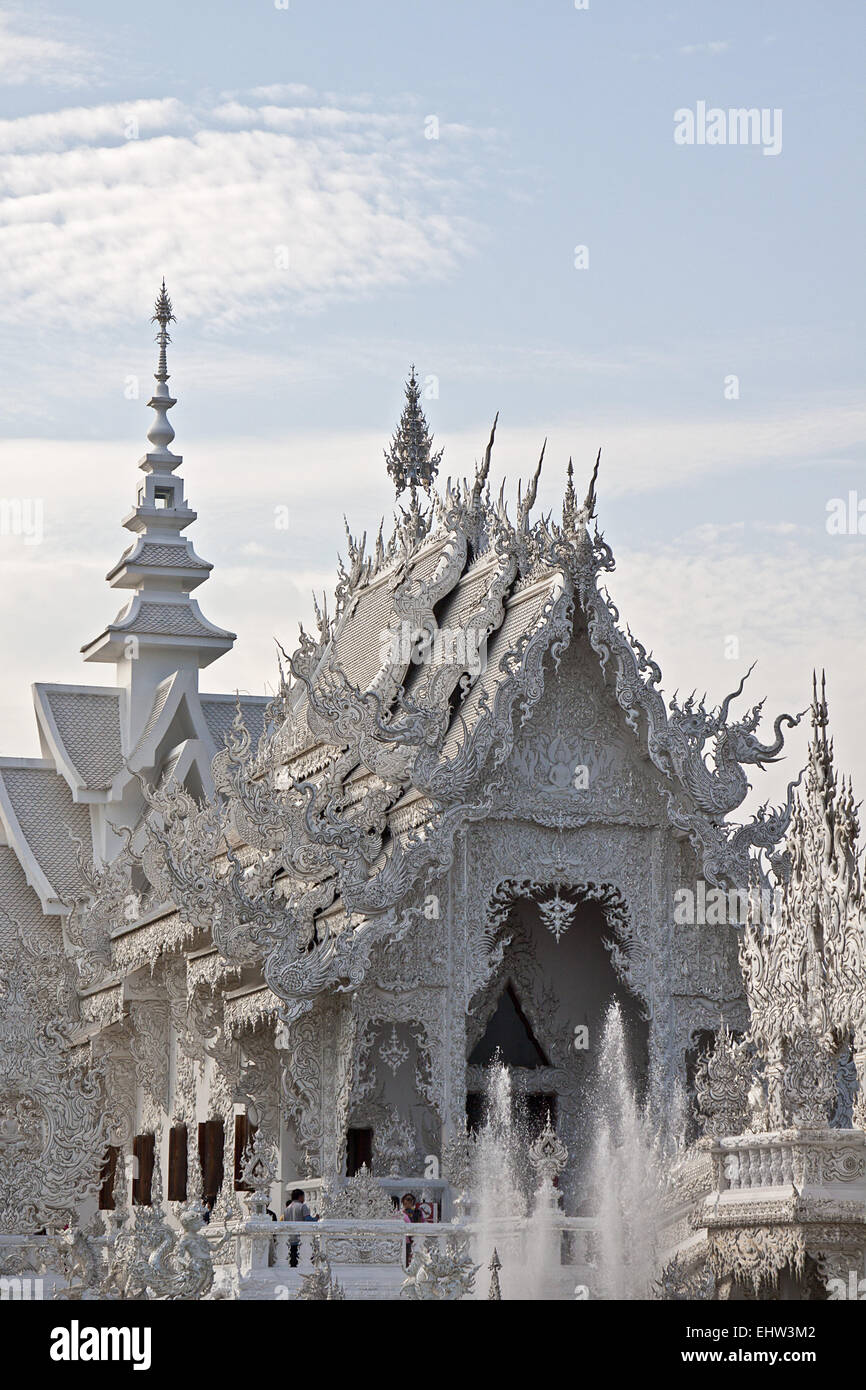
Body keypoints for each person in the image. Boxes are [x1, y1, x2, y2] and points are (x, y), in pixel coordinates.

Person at [282, 1187, 318, 1267]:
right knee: (303, 1264)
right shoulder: (302, 1206)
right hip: (301, 1239)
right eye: (303, 1197)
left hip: (290, 1239)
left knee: (293, 1264)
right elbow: (308, 1220)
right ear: (300, 1197)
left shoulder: (287, 1209)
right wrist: (316, 1218)